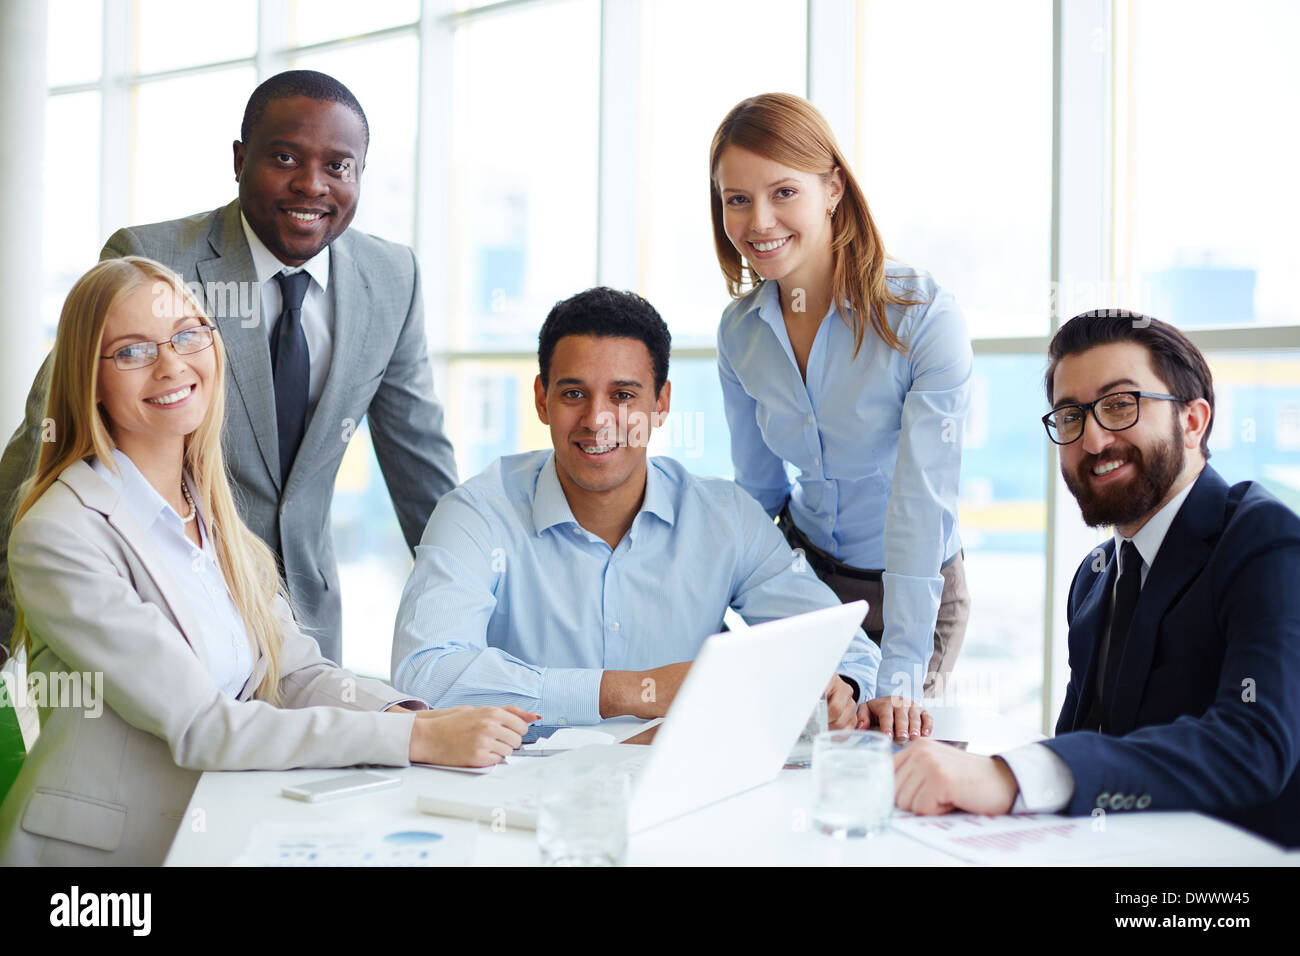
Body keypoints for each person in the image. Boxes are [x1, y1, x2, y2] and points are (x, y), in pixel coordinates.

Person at [0, 258, 532, 866]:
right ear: (86, 379)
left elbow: (292, 674)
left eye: (186, 335)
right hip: (105, 858)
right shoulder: (60, 533)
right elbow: (202, 723)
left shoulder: (211, 511)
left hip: (222, 827)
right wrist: (418, 740)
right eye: (131, 351)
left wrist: (411, 714)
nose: (171, 364)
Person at [0, 70, 458, 665]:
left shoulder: (393, 278)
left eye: (338, 167)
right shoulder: (151, 258)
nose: (310, 186)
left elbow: (420, 466)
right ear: (240, 159)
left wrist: (472, 619)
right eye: (285, 157)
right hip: (162, 602)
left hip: (306, 623)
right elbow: (49, 434)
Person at [391, 287, 931, 738]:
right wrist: (636, 690)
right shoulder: (476, 515)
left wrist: (843, 689)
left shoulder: (724, 518)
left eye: (624, 396)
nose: (598, 420)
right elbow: (426, 675)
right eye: (573, 393)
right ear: (541, 399)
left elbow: (845, 646)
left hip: (684, 795)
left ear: (661, 404)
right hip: (517, 796)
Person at [893, 310, 1300, 848]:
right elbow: (1085, 751)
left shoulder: (1265, 542)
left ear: (1194, 420)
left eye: (1119, 405)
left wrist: (1009, 776)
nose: (1093, 440)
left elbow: (1253, 745)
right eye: (1070, 416)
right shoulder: (1094, 578)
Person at [709, 93, 972, 705]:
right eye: (737, 200)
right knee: (797, 759)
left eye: (783, 192)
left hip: (914, 585)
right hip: (806, 582)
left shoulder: (923, 319)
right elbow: (758, 492)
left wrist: (901, 673)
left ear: (832, 189)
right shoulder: (739, 332)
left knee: (889, 759)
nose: (759, 222)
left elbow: (920, 507)